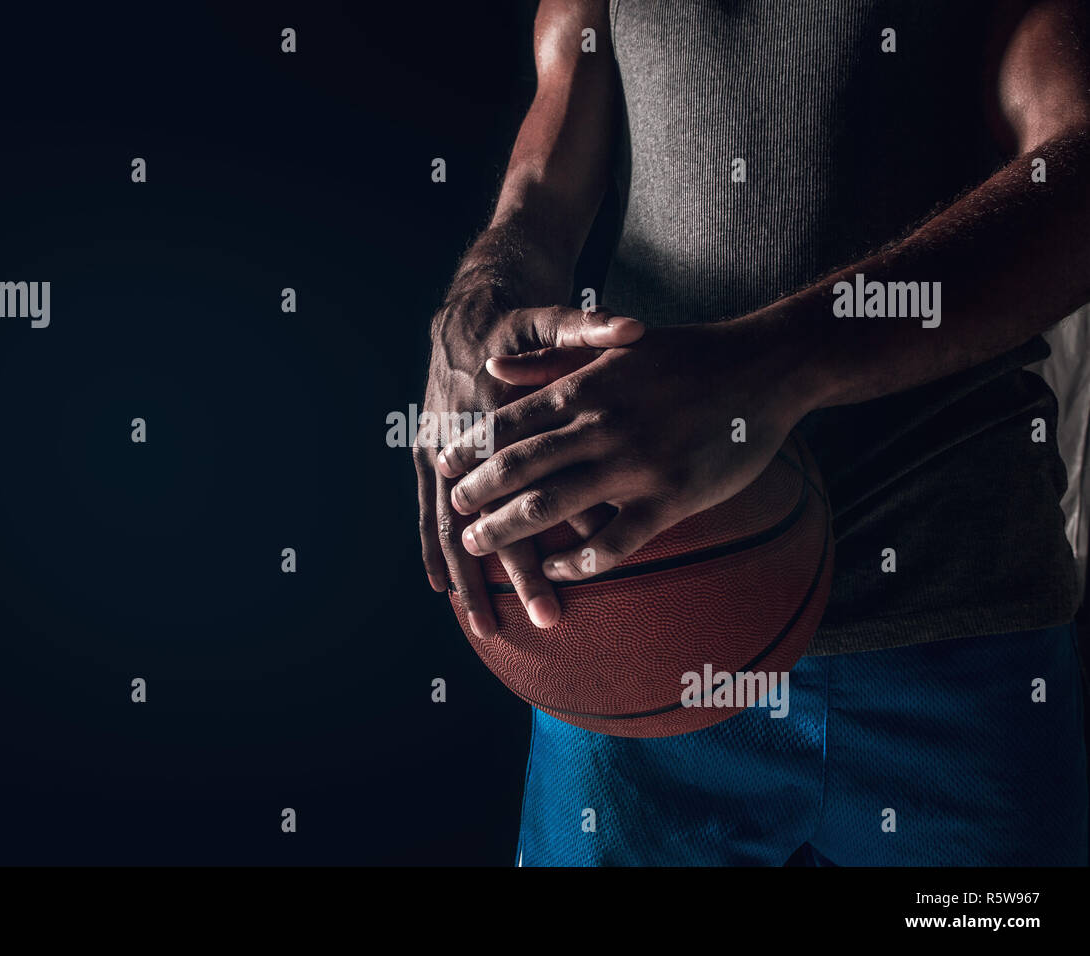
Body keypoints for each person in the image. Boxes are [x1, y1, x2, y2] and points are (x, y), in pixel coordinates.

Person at [414, 0, 1090, 865]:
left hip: (956, 606)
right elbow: (543, 192)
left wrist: (767, 369)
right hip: (641, 608)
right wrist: (482, 293)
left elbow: (1074, 174)